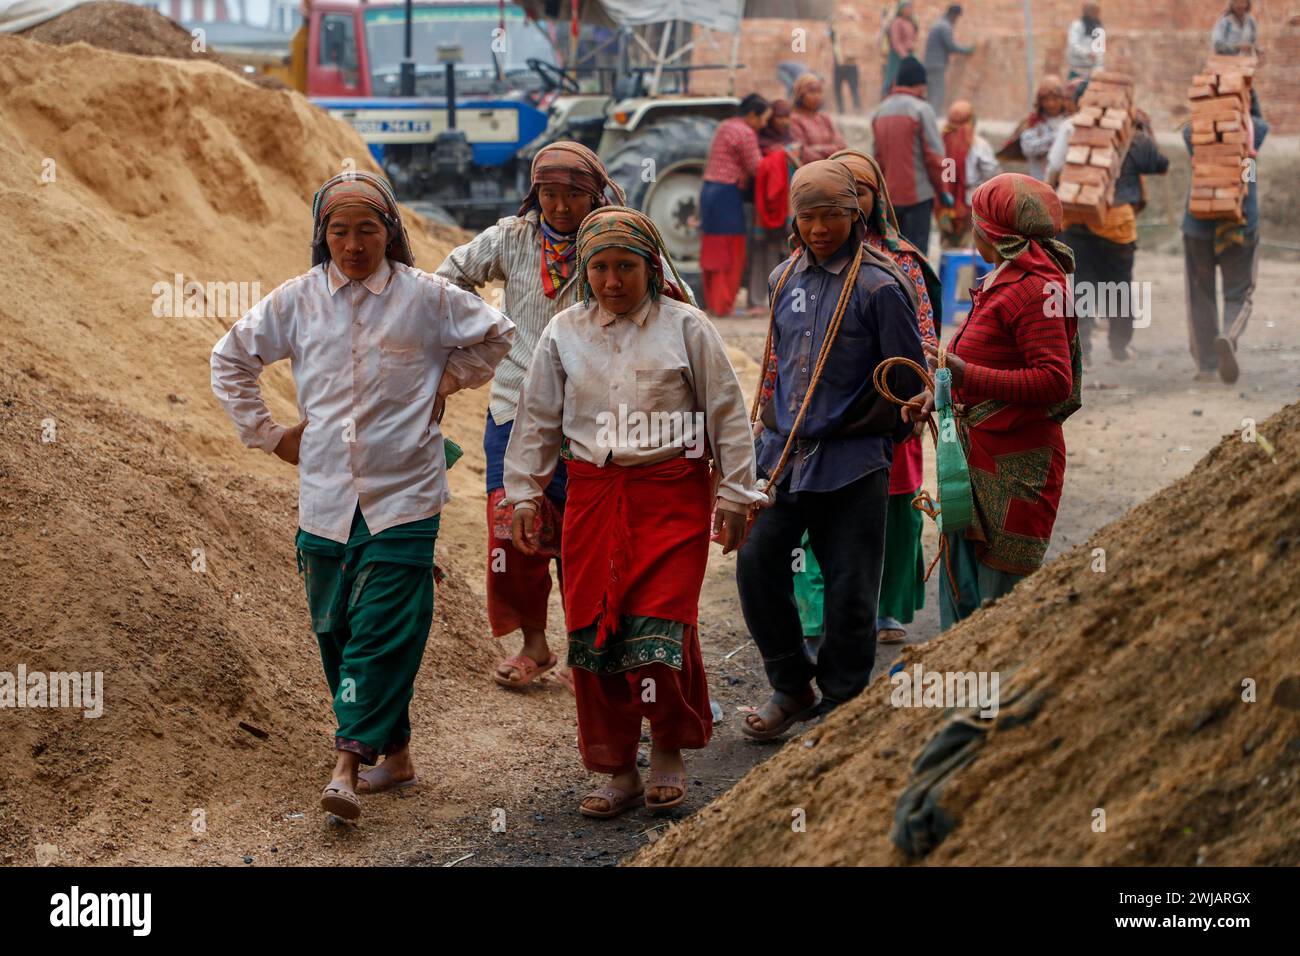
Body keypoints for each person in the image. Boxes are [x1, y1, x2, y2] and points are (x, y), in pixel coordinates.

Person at [211, 171, 514, 821]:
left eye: (367, 230)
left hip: (405, 491)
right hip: (323, 493)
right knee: (337, 630)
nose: (353, 244)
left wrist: (447, 379)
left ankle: (347, 763)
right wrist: (269, 435)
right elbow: (229, 358)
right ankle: (397, 758)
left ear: (391, 233)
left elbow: (498, 335)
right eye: (339, 231)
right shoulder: (296, 301)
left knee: (381, 626)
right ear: (322, 236)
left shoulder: (426, 297)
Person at [503, 207, 763, 818]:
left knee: (659, 631)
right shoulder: (562, 331)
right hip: (593, 500)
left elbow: (726, 413)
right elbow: (537, 416)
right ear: (584, 271)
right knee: (594, 634)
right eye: (599, 268)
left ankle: (668, 749)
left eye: (626, 267)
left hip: (672, 496)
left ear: (652, 267)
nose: (612, 281)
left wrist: (734, 497)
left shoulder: (688, 327)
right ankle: (615, 766)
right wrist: (523, 492)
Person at [736, 160, 927, 739]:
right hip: (786, 457)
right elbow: (776, 365)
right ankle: (792, 686)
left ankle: (843, 703)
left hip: (854, 463)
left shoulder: (880, 284)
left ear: (856, 214)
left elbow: (907, 379)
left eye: (831, 216)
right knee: (757, 563)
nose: (819, 228)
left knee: (851, 587)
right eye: (808, 216)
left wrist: (873, 433)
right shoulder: (783, 277)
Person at [435, 142, 627, 690]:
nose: (560, 206)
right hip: (514, 406)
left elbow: (671, 298)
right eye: (549, 193)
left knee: (582, 534)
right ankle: (534, 646)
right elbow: (448, 277)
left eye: (573, 194)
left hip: (592, 413)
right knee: (512, 532)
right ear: (534, 193)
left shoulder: (614, 240)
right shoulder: (512, 237)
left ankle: (587, 647)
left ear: (595, 194)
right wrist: (491, 332)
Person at [902, 174, 1081, 628]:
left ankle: (996, 699)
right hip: (976, 459)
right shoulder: (1004, 278)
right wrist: (936, 393)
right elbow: (984, 364)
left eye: (977, 222)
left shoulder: (1038, 289)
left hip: (1014, 467)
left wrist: (965, 373)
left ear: (995, 233)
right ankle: (962, 694)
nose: (972, 230)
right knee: (963, 592)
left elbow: (1054, 381)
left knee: (997, 610)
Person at [1054, 112, 1169, 363]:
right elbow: (1161, 164)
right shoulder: (1135, 138)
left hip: (1077, 218)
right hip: (1116, 224)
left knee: (1079, 287)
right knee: (1118, 288)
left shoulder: (1073, 129)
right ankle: (1118, 346)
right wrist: (1145, 131)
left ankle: (1082, 351)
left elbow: (1054, 166)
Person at [1181, 112, 1269, 383]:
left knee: (1201, 294)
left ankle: (1206, 366)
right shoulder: (1256, 129)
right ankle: (1228, 336)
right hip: (1240, 225)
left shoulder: (1192, 133)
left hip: (1198, 226)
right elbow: (1260, 121)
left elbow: (1188, 127)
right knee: (1239, 292)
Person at [871, 56, 952, 254]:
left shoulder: (879, 111)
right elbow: (935, 157)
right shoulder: (922, 110)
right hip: (918, 199)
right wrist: (943, 190)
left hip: (889, 199)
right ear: (920, 84)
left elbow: (876, 159)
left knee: (891, 255)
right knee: (916, 255)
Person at [700, 93, 770, 318]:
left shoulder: (725, 126)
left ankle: (713, 303)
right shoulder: (746, 132)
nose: (764, 125)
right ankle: (723, 305)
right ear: (751, 115)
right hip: (728, 193)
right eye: (762, 119)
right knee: (730, 250)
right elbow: (757, 168)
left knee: (712, 249)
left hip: (709, 191)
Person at [747, 100, 800, 317]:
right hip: (765, 205)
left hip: (787, 203)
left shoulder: (791, 139)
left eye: (787, 116)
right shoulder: (760, 140)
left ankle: (786, 298)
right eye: (779, 117)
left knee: (786, 252)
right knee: (764, 254)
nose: (784, 121)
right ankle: (759, 298)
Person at [936, 100, 999, 248]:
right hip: (970, 204)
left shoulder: (940, 142)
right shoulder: (978, 144)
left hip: (944, 206)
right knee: (968, 250)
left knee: (948, 248)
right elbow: (991, 171)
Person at [1015, 76, 1070, 182]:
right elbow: (1028, 148)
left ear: (1062, 99)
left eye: (1055, 99)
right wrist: (1059, 138)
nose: (1051, 104)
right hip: (1039, 181)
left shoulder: (1068, 121)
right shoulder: (1034, 122)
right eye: (1046, 100)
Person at [923, 4, 974, 114]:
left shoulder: (938, 24)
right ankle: (934, 115)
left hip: (930, 63)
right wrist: (967, 50)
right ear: (954, 15)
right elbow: (951, 46)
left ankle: (929, 114)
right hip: (937, 64)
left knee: (931, 92)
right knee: (937, 92)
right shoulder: (945, 27)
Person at [789, 74, 848, 163]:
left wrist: (818, 148)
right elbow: (803, 153)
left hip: (832, 168)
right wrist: (831, 150)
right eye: (812, 92)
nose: (817, 96)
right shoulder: (794, 120)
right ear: (800, 95)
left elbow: (842, 146)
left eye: (819, 91)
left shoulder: (824, 118)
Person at [882, 1, 920, 97]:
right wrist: (904, 56)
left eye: (910, 8)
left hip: (909, 55)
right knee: (893, 77)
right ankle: (886, 98)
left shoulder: (910, 23)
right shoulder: (896, 22)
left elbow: (912, 39)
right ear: (901, 9)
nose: (908, 10)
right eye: (906, 8)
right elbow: (896, 41)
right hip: (897, 56)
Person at [1066, 2, 1105, 85]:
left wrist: (1099, 70)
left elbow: (1100, 52)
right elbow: (1073, 46)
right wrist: (1087, 54)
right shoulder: (1077, 26)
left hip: (1092, 72)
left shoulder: (1098, 27)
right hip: (1077, 70)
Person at [829, 22, 862, 114]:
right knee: (837, 88)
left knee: (853, 88)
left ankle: (857, 109)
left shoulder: (850, 36)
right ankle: (841, 109)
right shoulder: (835, 40)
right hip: (839, 66)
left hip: (850, 65)